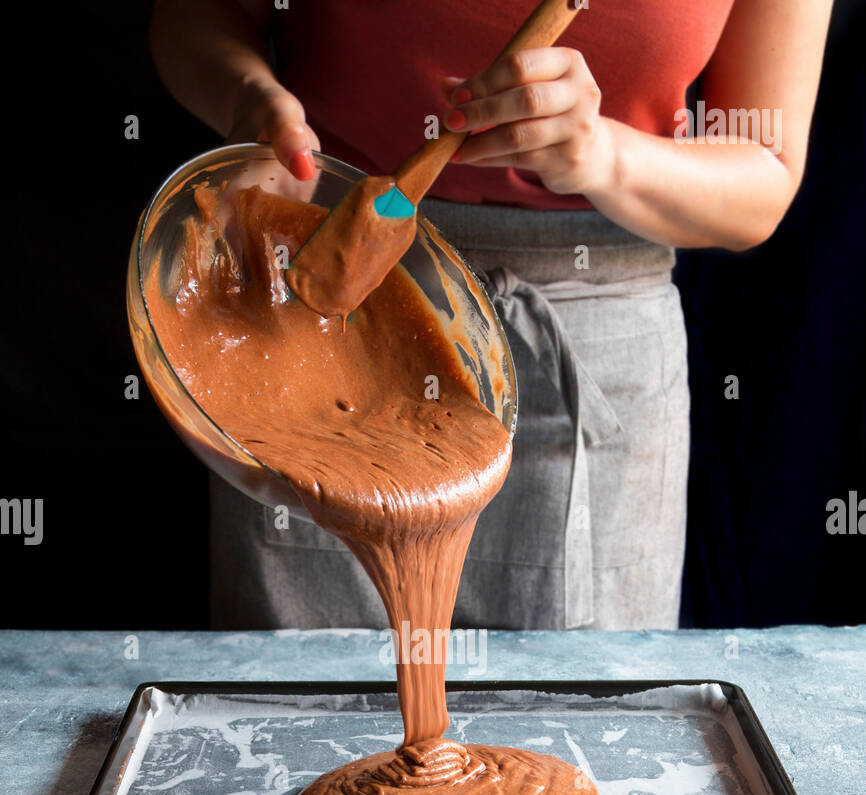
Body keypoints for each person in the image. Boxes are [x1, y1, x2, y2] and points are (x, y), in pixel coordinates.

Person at [150, 0, 833, 631]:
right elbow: (195, 18)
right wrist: (249, 103)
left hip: (591, 346)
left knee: (581, 732)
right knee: (288, 729)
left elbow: (764, 174)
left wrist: (602, 154)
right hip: (311, 312)